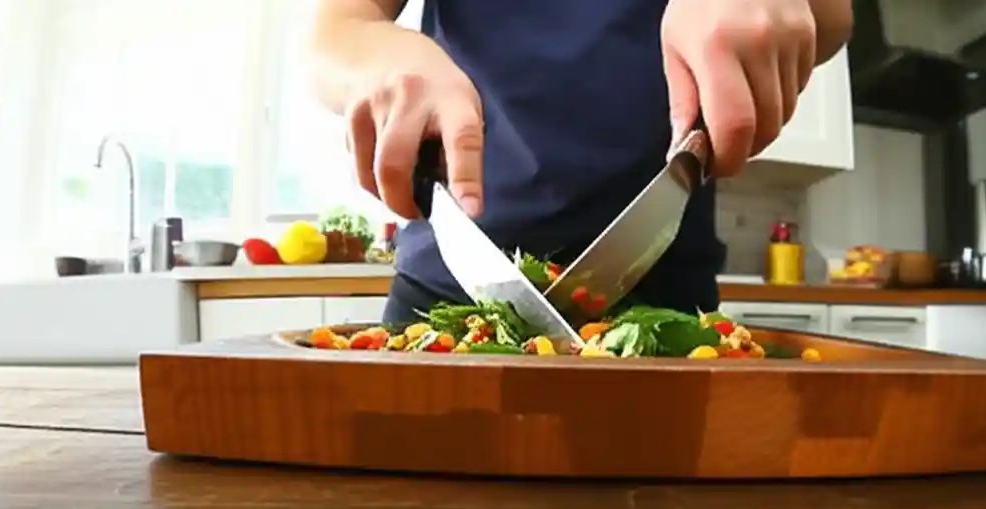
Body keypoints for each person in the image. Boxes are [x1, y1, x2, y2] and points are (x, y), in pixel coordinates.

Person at [310, 0, 854, 323]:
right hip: (449, 290)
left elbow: (832, 15)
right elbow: (336, 32)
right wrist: (377, 56)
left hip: (667, 306)